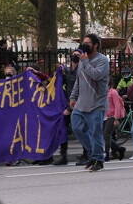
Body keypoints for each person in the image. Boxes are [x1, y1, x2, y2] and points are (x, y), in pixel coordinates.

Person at [69, 34, 109, 172]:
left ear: (95, 45)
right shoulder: (81, 60)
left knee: (95, 133)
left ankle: (98, 159)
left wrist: (85, 61)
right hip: (81, 102)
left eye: (87, 43)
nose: (84, 45)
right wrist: (73, 96)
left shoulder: (103, 60)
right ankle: (93, 153)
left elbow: (97, 75)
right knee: (76, 127)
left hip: (96, 103)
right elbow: (79, 80)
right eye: (83, 42)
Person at [54, 53, 82, 165]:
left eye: (77, 55)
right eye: (73, 55)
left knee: (81, 130)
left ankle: (87, 153)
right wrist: (59, 72)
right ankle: (63, 155)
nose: (74, 57)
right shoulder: (68, 71)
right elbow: (59, 82)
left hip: (79, 105)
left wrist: (70, 108)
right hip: (69, 104)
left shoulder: (82, 71)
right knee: (63, 129)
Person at [104, 85, 127, 161]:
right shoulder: (103, 92)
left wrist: (116, 119)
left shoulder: (113, 92)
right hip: (104, 117)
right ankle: (119, 149)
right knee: (106, 136)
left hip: (112, 117)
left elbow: (117, 105)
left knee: (106, 134)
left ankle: (106, 154)